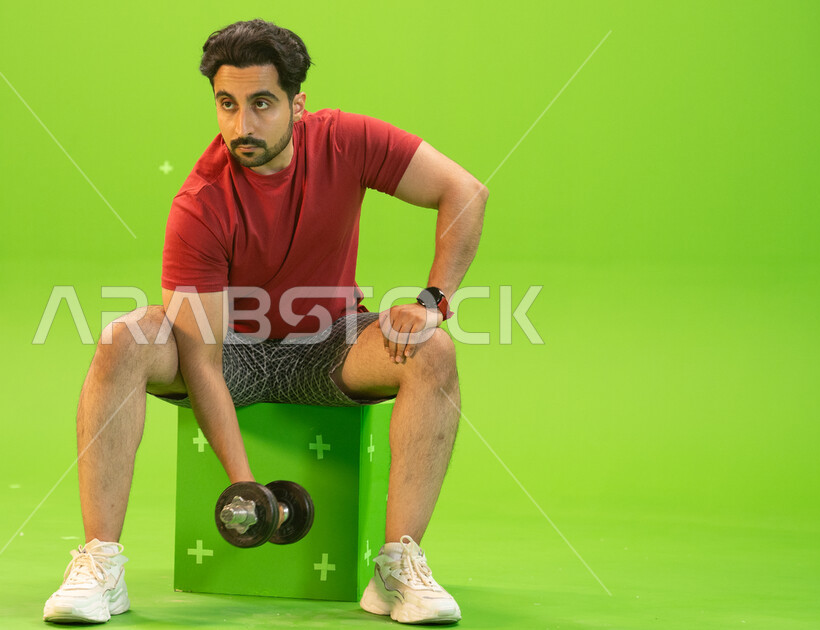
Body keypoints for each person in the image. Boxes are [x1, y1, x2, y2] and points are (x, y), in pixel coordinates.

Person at [42, 18, 487, 626]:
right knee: (125, 338)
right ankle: (100, 566)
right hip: (232, 353)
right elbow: (201, 361)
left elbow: (464, 190)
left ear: (296, 105)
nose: (241, 126)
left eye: (261, 105)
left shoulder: (347, 141)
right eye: (226, 105)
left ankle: (397, 570)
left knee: (434, 351)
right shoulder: (200, 203)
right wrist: (246, 487)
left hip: (331, 341)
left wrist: (434, 300)